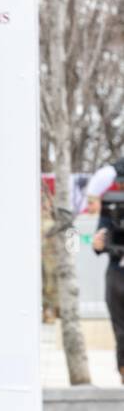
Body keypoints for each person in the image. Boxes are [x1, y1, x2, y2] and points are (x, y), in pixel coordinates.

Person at [90, 158, 124, 382]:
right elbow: (100, 241)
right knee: (120, 328)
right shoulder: (111, 205)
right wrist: (98, 242)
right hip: (117, 271)